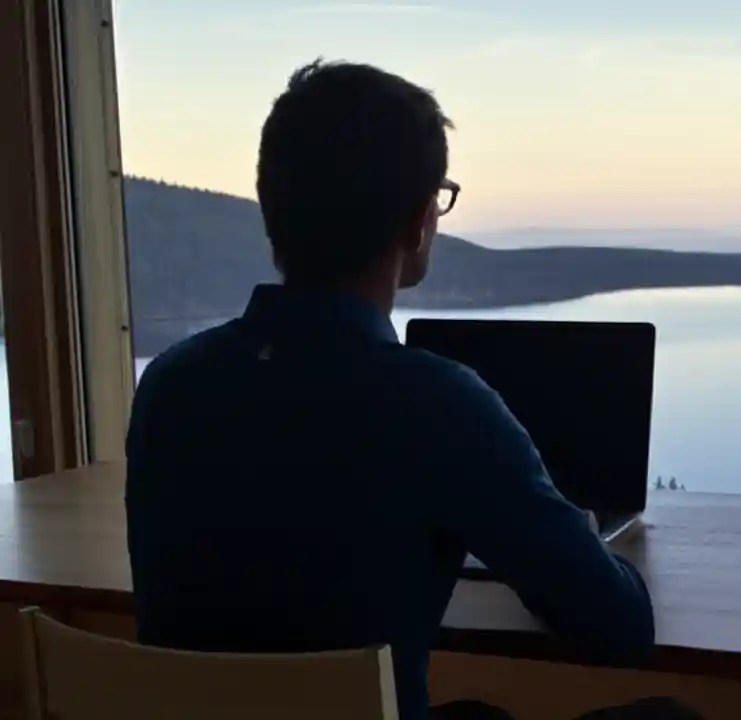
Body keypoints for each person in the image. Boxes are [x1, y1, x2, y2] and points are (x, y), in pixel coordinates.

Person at [125, 60, 700, 720]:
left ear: (271, 208)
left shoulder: (170, 387)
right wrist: (560, 520)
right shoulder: (436, 406)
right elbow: (619, 627)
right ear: (418, 222)